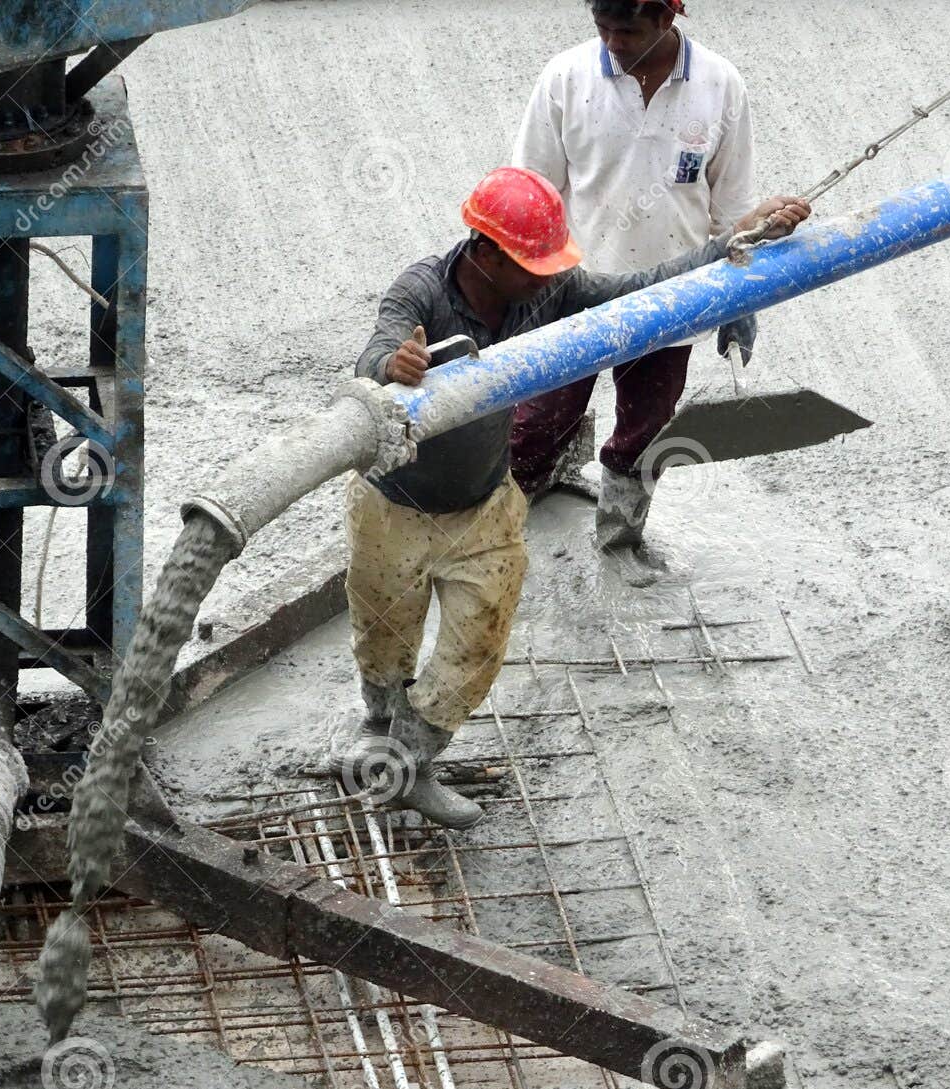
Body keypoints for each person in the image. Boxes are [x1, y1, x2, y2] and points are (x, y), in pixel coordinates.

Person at [336, 166, 808, 829]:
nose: (545, 278)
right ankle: (376, 727)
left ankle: (411, 762)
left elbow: (640, 292)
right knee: (384, 639)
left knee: (476, 649)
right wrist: (393, 366)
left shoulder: (549, 290)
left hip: (483, 509)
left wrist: (734, 243)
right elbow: (378, 352)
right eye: (532, 266)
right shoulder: (422, 290)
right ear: (487, 252)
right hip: (393, 508)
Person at [511, 0, 760, 552]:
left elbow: (732, 205)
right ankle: (501, 521)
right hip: (574, 292)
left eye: (626, 31)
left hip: (675, 297)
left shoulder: (720, 86)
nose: (612, 43)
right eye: (602, 28)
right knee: (536, 424)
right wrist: (520, 289)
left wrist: (740, 297)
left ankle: (620, 537)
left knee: (646, 432)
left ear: (667, 19)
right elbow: (531, 189)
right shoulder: (566, 78)